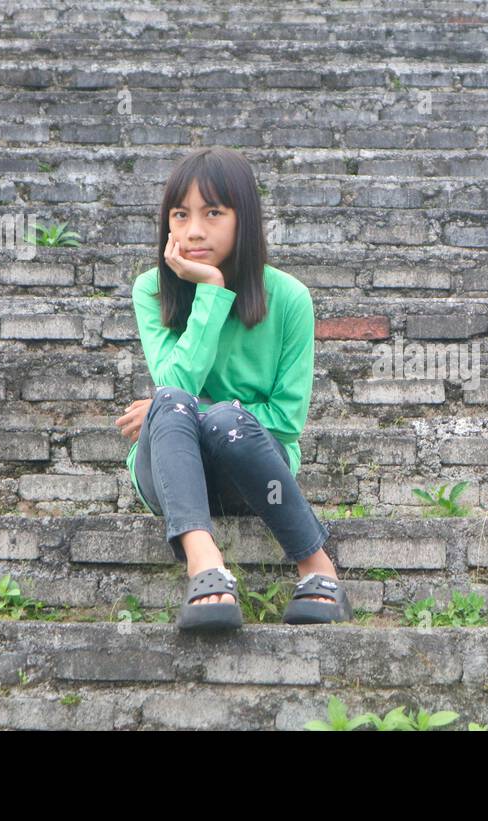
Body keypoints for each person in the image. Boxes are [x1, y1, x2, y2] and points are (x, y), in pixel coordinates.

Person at [113, 147, 350, 632]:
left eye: (213, 213)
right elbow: (175, 386)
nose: (194, 230)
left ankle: (316, 566)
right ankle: (206, 567)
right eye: (181, 215)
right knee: (174, 400)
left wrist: (198, 413)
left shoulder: (288, 298)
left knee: (214, 417)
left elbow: (285, 420)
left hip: (254, 470)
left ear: (245, 220)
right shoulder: (152, 291)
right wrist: (210, 290)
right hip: (172, 472)